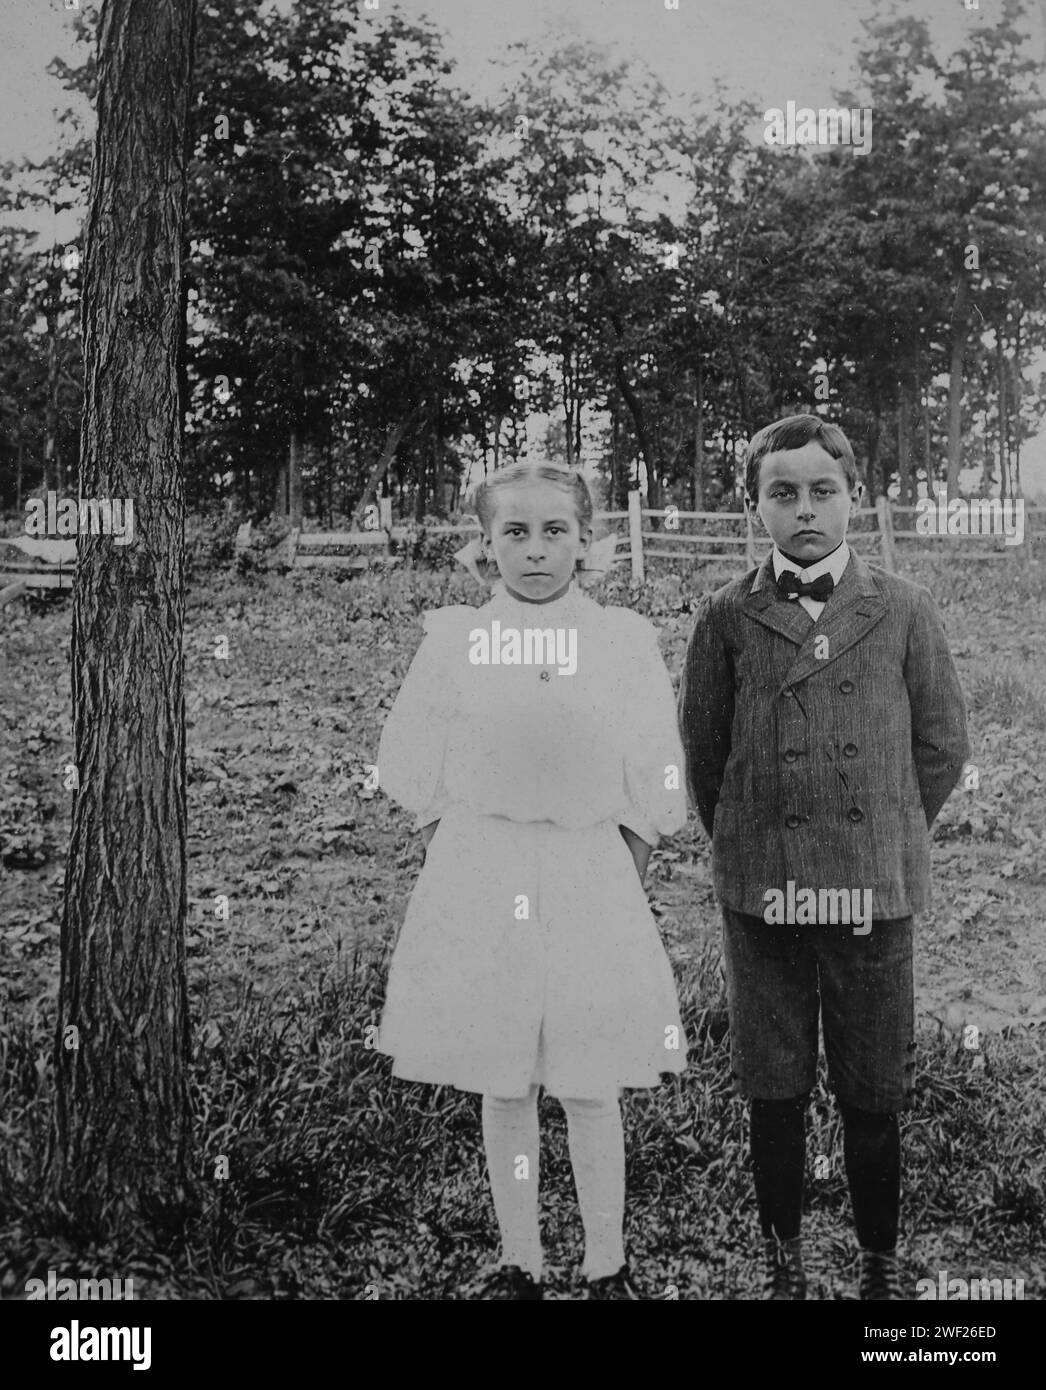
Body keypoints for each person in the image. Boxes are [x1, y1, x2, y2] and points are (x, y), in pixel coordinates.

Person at [376, 461, 688, 1300]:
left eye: (556, 531)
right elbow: (414, 768)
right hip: (484, 870)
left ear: (586, 542)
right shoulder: (456, 641)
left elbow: (655, 772)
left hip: (590, 871)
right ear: (486, 544)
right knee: (502, 1072)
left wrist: (626, 862)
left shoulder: (621, 642)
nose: (536, 550)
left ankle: (606, 1260)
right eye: (514, 532)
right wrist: (468, 841)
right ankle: (520, 1257)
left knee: (587, 1075)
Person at [678, 415, 970, 1300]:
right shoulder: (727, 616)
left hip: (871, 887)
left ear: (853, 498)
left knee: (872, 1086)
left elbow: (943, 744)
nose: (804, 510)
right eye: (782, 494)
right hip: (765, 887)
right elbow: (705, 756)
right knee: (775, 1085)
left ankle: (879, 1260)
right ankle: (785, 1256)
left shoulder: (904, 608)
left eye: (822, 491)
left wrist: (881, 830)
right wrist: (757, 836)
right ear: (756, 506)